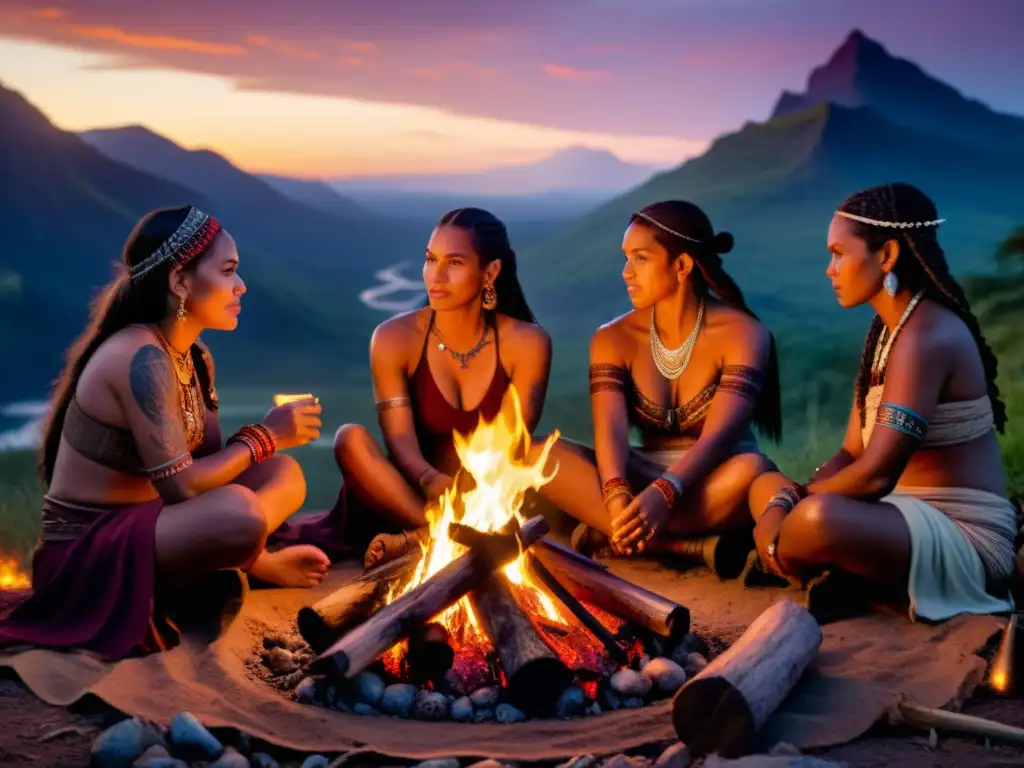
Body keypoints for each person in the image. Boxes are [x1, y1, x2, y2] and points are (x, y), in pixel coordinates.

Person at [0, 206, 327, 661]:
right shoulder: (140, 357)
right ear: (179, 282)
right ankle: (240, 563)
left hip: (155, 525)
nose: (241, 286)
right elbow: (182, 486)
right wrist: (262, 438)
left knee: (285, 473)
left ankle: (230, 560)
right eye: (229, 271)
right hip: (91, 551)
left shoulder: (193, 355)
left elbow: (210, 464)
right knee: (242, 512)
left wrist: (266, 450)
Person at [748, 182, 1017, 624]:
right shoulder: (886, 332)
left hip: (964, 537)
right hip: (897, 517)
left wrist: (796, 501)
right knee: (762, 484)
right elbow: (852, 452)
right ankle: (831, 566)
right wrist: (785, 498)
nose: (829, 269)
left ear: (887, 256)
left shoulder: (926, 336)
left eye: (838, 253)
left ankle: (806, 559)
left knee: (817, 519)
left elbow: (874, 476)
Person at [292, 207, 552, 569]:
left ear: (490, 272)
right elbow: (398, 438)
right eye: (431, 259)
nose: (436, 275)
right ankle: (435, 533)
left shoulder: (527, 341)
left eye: (455, 263)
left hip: (485, 495)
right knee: (349, 439)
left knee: (556, 453)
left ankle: (426, 542)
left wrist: (471, 495)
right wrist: (429, 480)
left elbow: (513, 444)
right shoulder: (392, 338)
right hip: (403, 494)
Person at [534, 200, 780, 573]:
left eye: (640, 259)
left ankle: (617, 533)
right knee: (538, 453)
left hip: (713, 479)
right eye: (626, 258)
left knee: (754, 468)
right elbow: (612, 431)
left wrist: (666, 493)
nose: (626, 273)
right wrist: (617, 496)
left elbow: (717, 439)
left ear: (681, 266)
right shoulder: (612, 338)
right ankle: (688, 547)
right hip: (639, 474)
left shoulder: (745, 333)